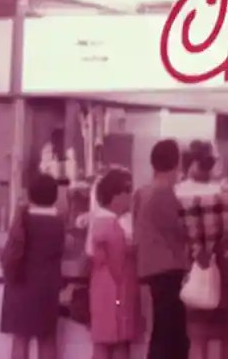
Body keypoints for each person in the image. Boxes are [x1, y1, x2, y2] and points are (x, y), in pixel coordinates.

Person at [176, 141, 228, 359]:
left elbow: (180, 233)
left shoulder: (178, 192)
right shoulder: (227, 188)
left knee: (197, 337)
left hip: (193, 270)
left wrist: (197, 252)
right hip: (224, 268)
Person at [133, 139, 191, 359]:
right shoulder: (164, 193)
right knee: (170, 333)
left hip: (150, 267)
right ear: (176, 164)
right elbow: (178, 229)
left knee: (162, 328)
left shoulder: (142, 192)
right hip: (167, 267)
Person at [0, 173, 66, 359]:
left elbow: (11, 250)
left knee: (20, 340)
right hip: (47, 288)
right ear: (55, 196)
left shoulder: (23, 220)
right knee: (47, 340)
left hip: (20, 284)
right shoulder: (59, 223)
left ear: (30, 194)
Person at [90, 169, 143, 359]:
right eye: (128, 192)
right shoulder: (112, 225)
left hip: (101, 291)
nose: (130, 197)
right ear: (116, 196)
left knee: (103, 341)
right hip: (118, 291)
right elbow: (119, 257)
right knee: (120, 339)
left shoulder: (97, 221)